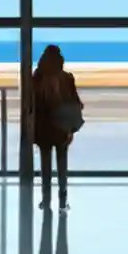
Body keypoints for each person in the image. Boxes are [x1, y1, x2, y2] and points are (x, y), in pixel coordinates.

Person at [32, 44, 82, 211]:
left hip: (43, 127)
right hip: (62, 127)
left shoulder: (37, 77)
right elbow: (75, 102)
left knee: (45, 165)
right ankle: (63, 197)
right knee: (62, 164)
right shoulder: (66, 78)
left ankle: (45, 199)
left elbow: (31, 104)